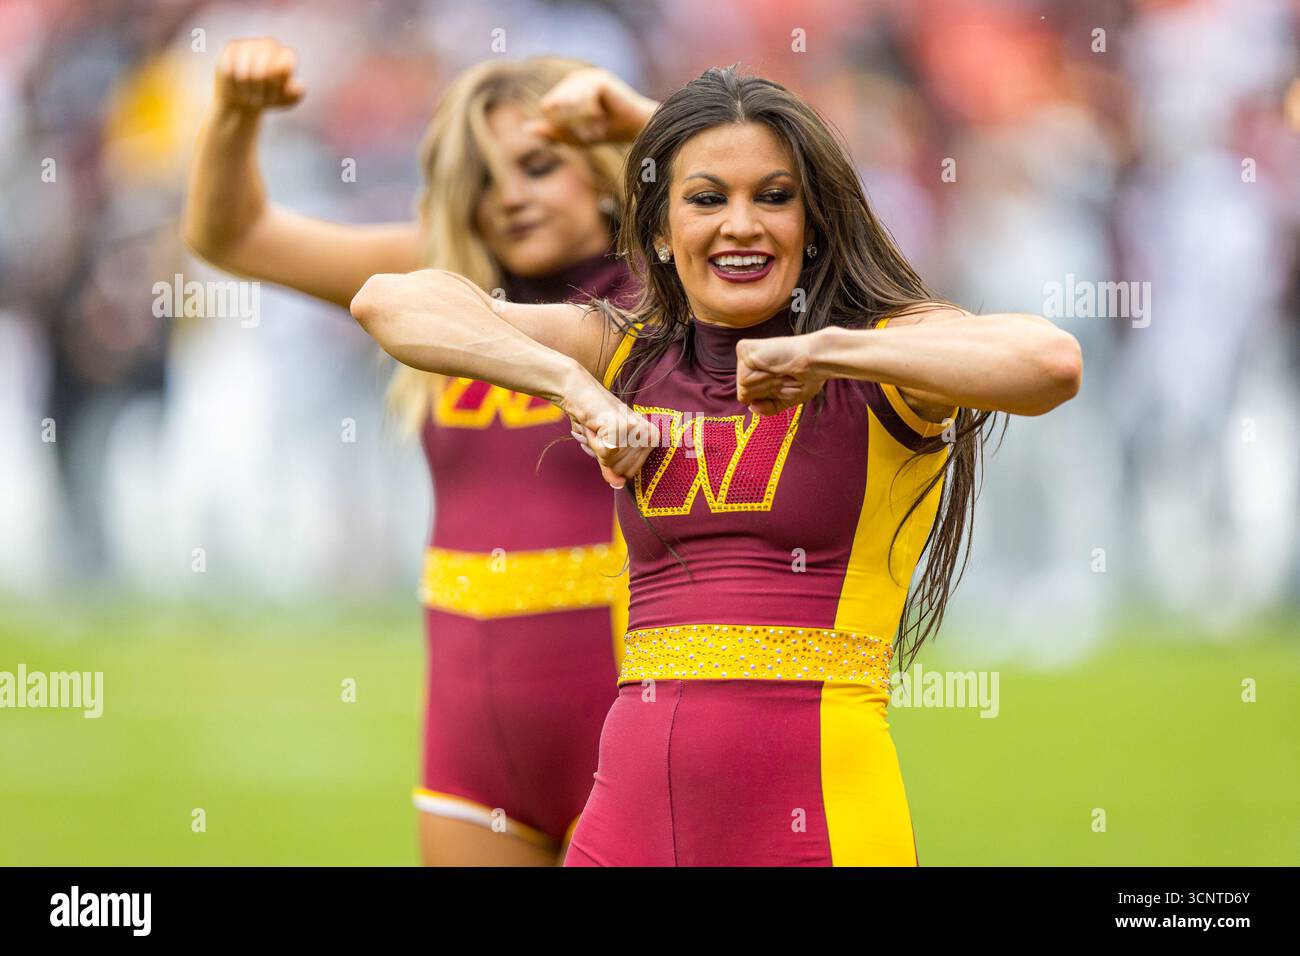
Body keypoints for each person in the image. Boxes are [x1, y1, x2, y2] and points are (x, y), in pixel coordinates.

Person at [350, 65, 1082, 866]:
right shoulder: (624, 349)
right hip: (625, 822)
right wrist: (573, 389)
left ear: (815, 222)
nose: (742, 225)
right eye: (706, 200)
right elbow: (390, 302)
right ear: (660, 232)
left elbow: (1049, 361)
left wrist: (830, 351)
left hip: (819, 820)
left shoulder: (880, 354)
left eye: (774, 197)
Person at [182, 38, 658, 866]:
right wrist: (232, 115)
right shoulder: (436, 282)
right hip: (468, 739)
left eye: (538, 166)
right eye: (479, 180)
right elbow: (234, 236)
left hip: (623, 711)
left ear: (607, 171)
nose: (508, 197)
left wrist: (651, 125)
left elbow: (808, 224)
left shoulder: (669, 284)